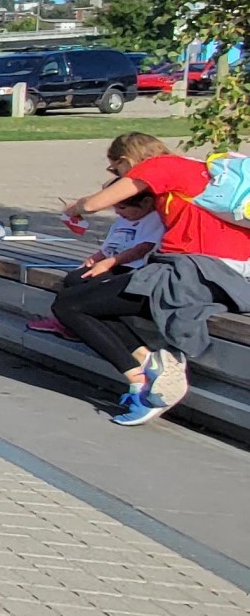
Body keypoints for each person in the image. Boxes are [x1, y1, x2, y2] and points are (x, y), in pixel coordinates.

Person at [54, 133, 250, 425]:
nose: (119, 177)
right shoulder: (193, 169)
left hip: (192, 271)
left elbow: (95, 204)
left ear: (126, 161)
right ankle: (152, 367)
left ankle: (145, 377)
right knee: (83, 294)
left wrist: (74, 209)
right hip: (225, 276)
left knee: (68, 307)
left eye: (116, 170)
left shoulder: (160, 166)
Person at [30, 194, 161, 337]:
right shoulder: (123, 220)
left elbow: (142, 249)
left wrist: (108, 263)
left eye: (123, 207)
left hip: (131, 267)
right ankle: (66, 323)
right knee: (74, 277)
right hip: (111, 262)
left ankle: (70, 325)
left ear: (146, 203)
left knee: (82, 283)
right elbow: (109, 247)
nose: (118, 212)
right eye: (115, 207)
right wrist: (96, 258)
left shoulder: (154, 220)